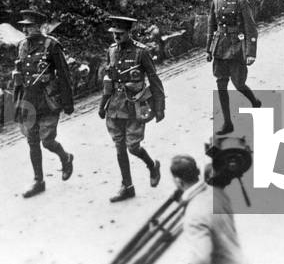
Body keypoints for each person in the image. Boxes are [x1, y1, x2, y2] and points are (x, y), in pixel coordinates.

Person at [98, 16, 165, 203]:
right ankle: (127, 187)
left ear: (129, 33)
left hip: (135, 105)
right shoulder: (111, 51)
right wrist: (102, 105)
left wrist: (159, 108)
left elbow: (154, 79)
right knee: (119, 148)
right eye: (114, 34)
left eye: (120, 34)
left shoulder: (141, 52)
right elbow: (108, 80)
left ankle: (152, 166)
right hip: (114, 106)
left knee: (133, 147)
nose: (116, 38)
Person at [12, 9, 75, 198]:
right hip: (29, 100)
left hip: (48, 100)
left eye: (29, 26)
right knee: (32, 142)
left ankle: (65, 157)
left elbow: (64, 75)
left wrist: (68, 102)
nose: (25, 30)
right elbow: (21, 73)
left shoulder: (52, 45)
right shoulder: (22, 45)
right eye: (23, 26)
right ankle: (38, 181)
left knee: (47, 141)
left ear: (38, 26)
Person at [207, 0, 260, 134]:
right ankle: (227, 123)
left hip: (236, 47)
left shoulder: (241, 2)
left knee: (238, 84)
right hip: (220, 48)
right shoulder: (216, 1)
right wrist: (208, 49)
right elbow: (211, 26)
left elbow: (251, 29)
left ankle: (254, 101)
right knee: (221, 84)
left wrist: (251, 53)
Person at [172, 155, 248, 264]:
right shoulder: (218, 193)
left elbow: (201, 259)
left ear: (178, 181)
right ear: (198, 171)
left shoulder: (194, 213)